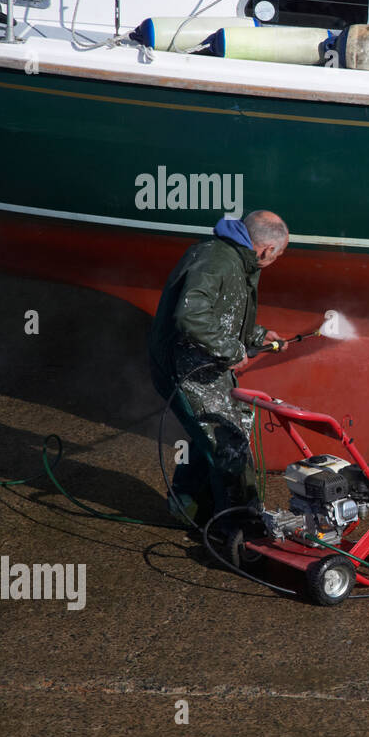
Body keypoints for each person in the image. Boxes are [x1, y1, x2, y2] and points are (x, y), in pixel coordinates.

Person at [148, 211, 289, 530]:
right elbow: (191, 317)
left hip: (201, 361)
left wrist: (255, 335)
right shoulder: (218, 260)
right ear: (266, 250)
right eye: (277, 254)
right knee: (229, 442)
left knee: (216, 430)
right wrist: (230, 350)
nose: (275, 260)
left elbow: (221, 312)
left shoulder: (233, 257)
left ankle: (190, 506)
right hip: (185, 366)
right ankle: (240, 529)